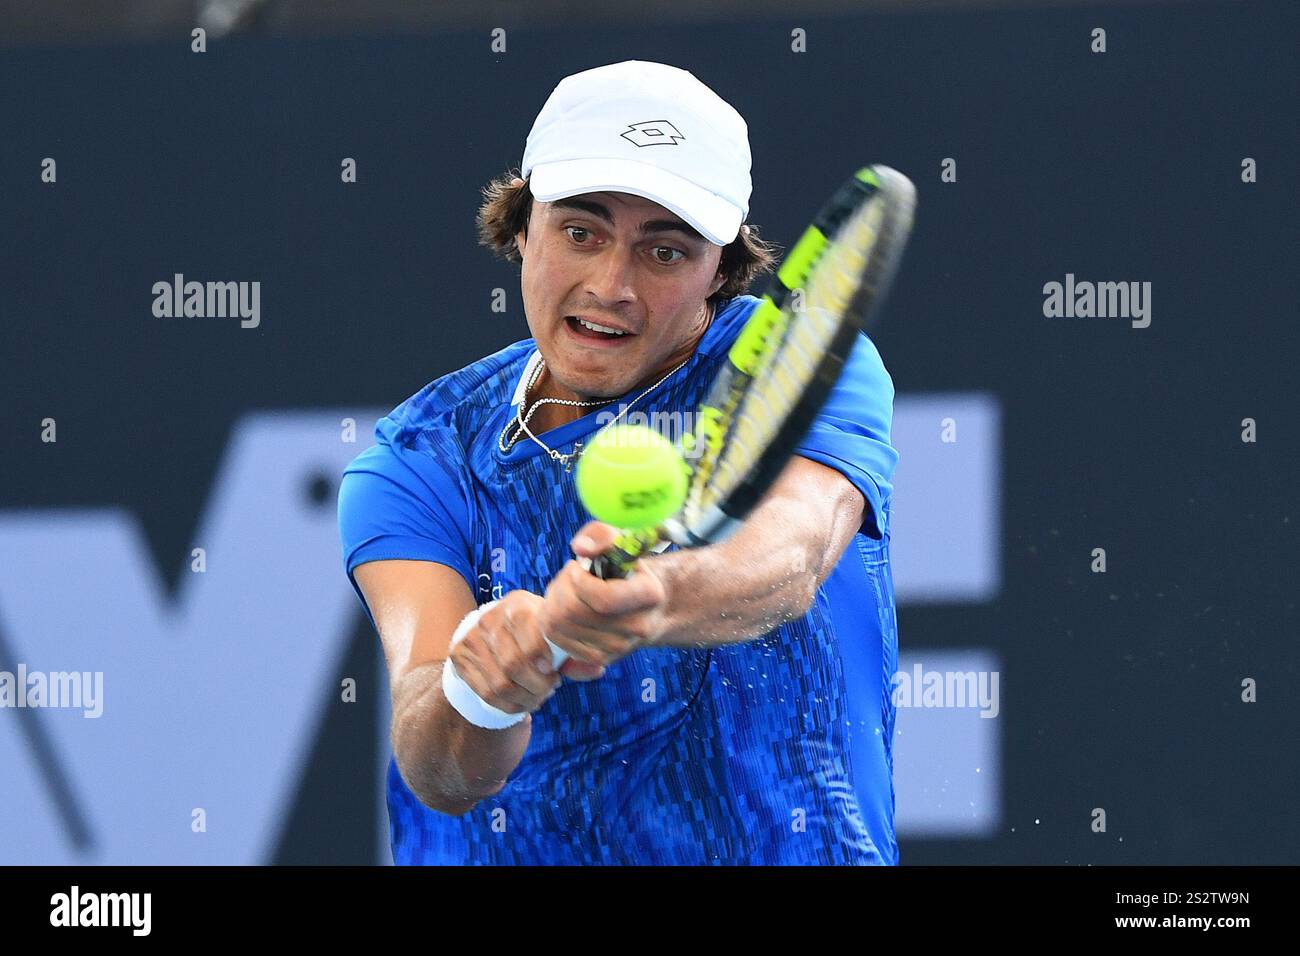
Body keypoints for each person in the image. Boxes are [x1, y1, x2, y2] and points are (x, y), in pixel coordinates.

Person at [337, 60, 900, 865]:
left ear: (720, 268)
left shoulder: (797, 361)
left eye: (664, 252)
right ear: (523, 226)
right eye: (580, 233)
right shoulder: (420, 458)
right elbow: (438, 770)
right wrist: (487, 692)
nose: (613, 286)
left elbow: (793, 552)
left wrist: (653, 600)